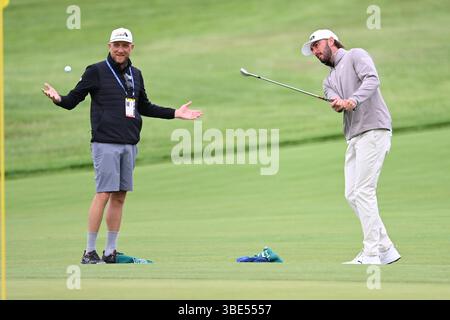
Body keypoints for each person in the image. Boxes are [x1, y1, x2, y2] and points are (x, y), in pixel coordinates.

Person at [42, 27, 202, 264]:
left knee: (119, 196)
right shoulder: (95, 71)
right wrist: (58, 99)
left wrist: (175, 113)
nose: (120, 49)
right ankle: (89, 251)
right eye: (116, 45)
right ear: (109, 46)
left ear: (131, 48)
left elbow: (144, 106)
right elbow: (72, 100)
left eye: (124, 45)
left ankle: (110, 251)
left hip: (129, 143)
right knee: (103, 193)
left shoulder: (136, 74)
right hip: (105, 142)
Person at [301, 29, 401, 264]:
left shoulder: (356, 55)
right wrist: (338, 103)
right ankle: (386, 247)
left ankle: (371, 253)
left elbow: (372, 79)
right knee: (351, 194)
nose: (315, 51)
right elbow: (336, 99)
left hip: (374, 129)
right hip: (354, 136)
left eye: (316, 45)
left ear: (331, 41)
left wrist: (352, 100)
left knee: (364, 191)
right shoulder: (328, 81)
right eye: (312, 49)